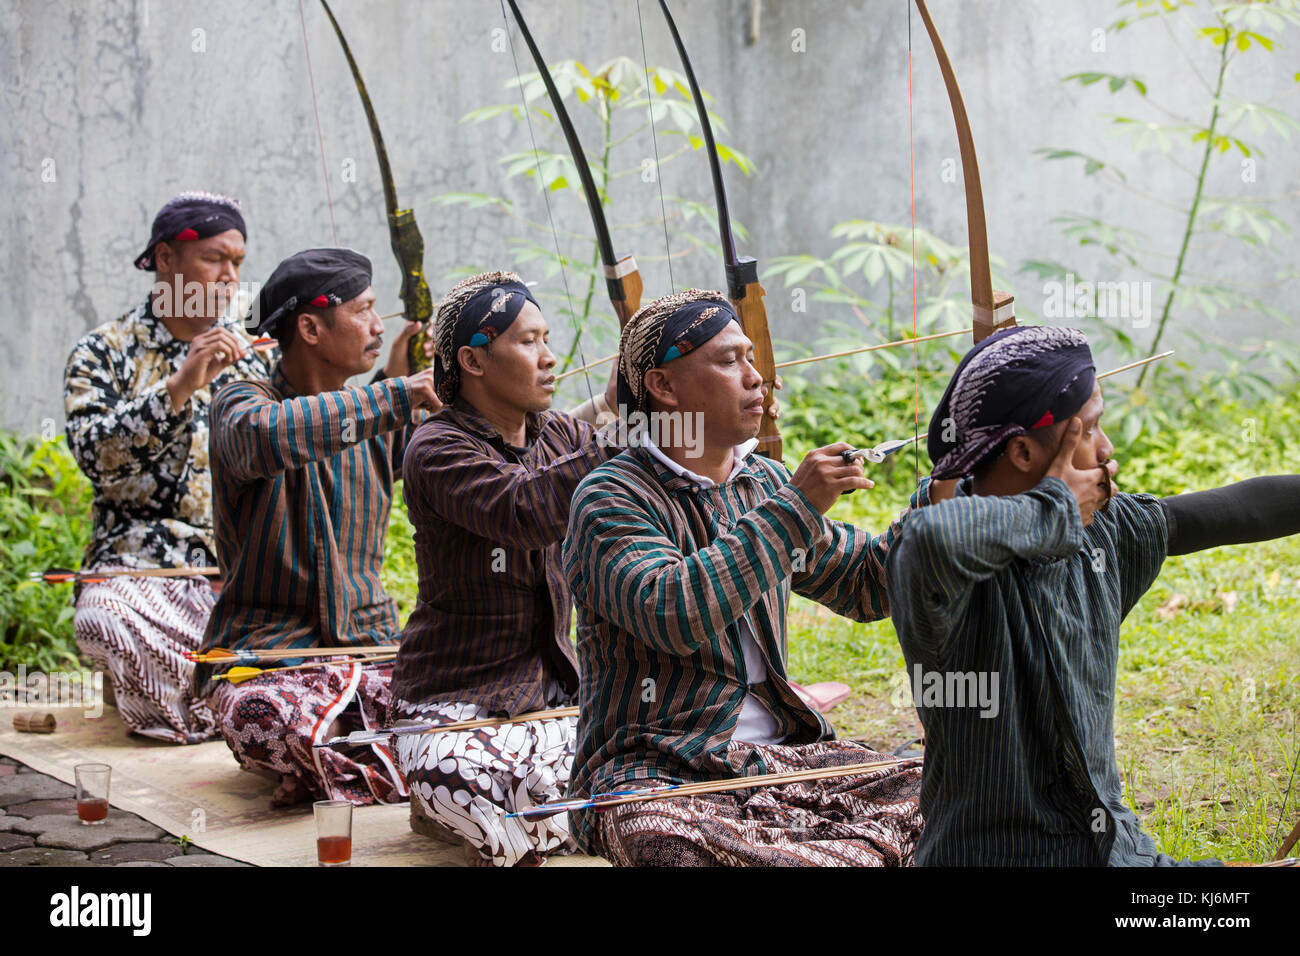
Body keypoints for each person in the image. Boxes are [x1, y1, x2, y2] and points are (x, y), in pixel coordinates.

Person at [885, 325, 1300, 866]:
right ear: (1022, 450)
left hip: (1112, 853)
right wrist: (1053, 510)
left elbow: (1229, 511)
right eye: (1091, 429)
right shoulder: (943, 567)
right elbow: (929, 539)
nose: (1108, 451)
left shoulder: (1099, 531)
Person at [563, 289, 928, 867]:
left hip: (780, 758)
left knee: (944, 789)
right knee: (667, 844)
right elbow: (673, 615)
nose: (758, 379)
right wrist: (795, 507)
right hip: (657, 771)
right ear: (663, 386)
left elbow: (866, 584)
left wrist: (942, 501)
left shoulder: (762, 484)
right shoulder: (610, 497)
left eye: (752, 359)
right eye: (730, 361)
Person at [390, 270, 623, 866]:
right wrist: (621, 425)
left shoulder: (561, 435)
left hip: (553, 698)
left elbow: (592, 470)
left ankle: (564, 810)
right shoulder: (437, 447)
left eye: (548, 339)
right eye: (528, 342)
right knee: (470, 776)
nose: (550, 358)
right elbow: (523, 508)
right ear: (473, 359)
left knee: (634, 762)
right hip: (455, 702)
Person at [198, 247, 440, 807]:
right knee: (267, 717)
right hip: (267, 657)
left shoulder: (378, 415)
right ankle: (355, 761)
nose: (380, 326)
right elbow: (267, 437)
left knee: (450, 710)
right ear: (309, 326)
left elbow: (481, 460)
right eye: (364, 311)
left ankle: (337, 765)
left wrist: (603, 407)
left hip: (370, 650)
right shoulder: (242, 404)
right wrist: (396, 392)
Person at [63, 191, 267, 743]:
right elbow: (94, 456)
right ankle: (203, 708)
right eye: (214, 258)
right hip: (136, 568)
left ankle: (202, 694)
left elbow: (305, 440)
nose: (230, 276)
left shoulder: (257, 357)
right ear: (166, 259)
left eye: (238, 263)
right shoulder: (104, 351)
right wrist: (177, 388)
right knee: (102, 618)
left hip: (232, 570)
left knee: (294, 631)